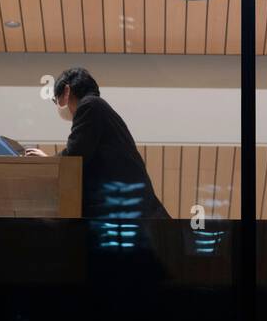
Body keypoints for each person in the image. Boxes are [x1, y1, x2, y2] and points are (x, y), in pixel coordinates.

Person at [26, 67, 169, 220]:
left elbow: (74, 157)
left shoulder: (90, 106)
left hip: (132, 213)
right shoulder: (98, 107)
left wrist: (49, 162)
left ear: (66, 91)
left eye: (56, 100)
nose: (57, 106)